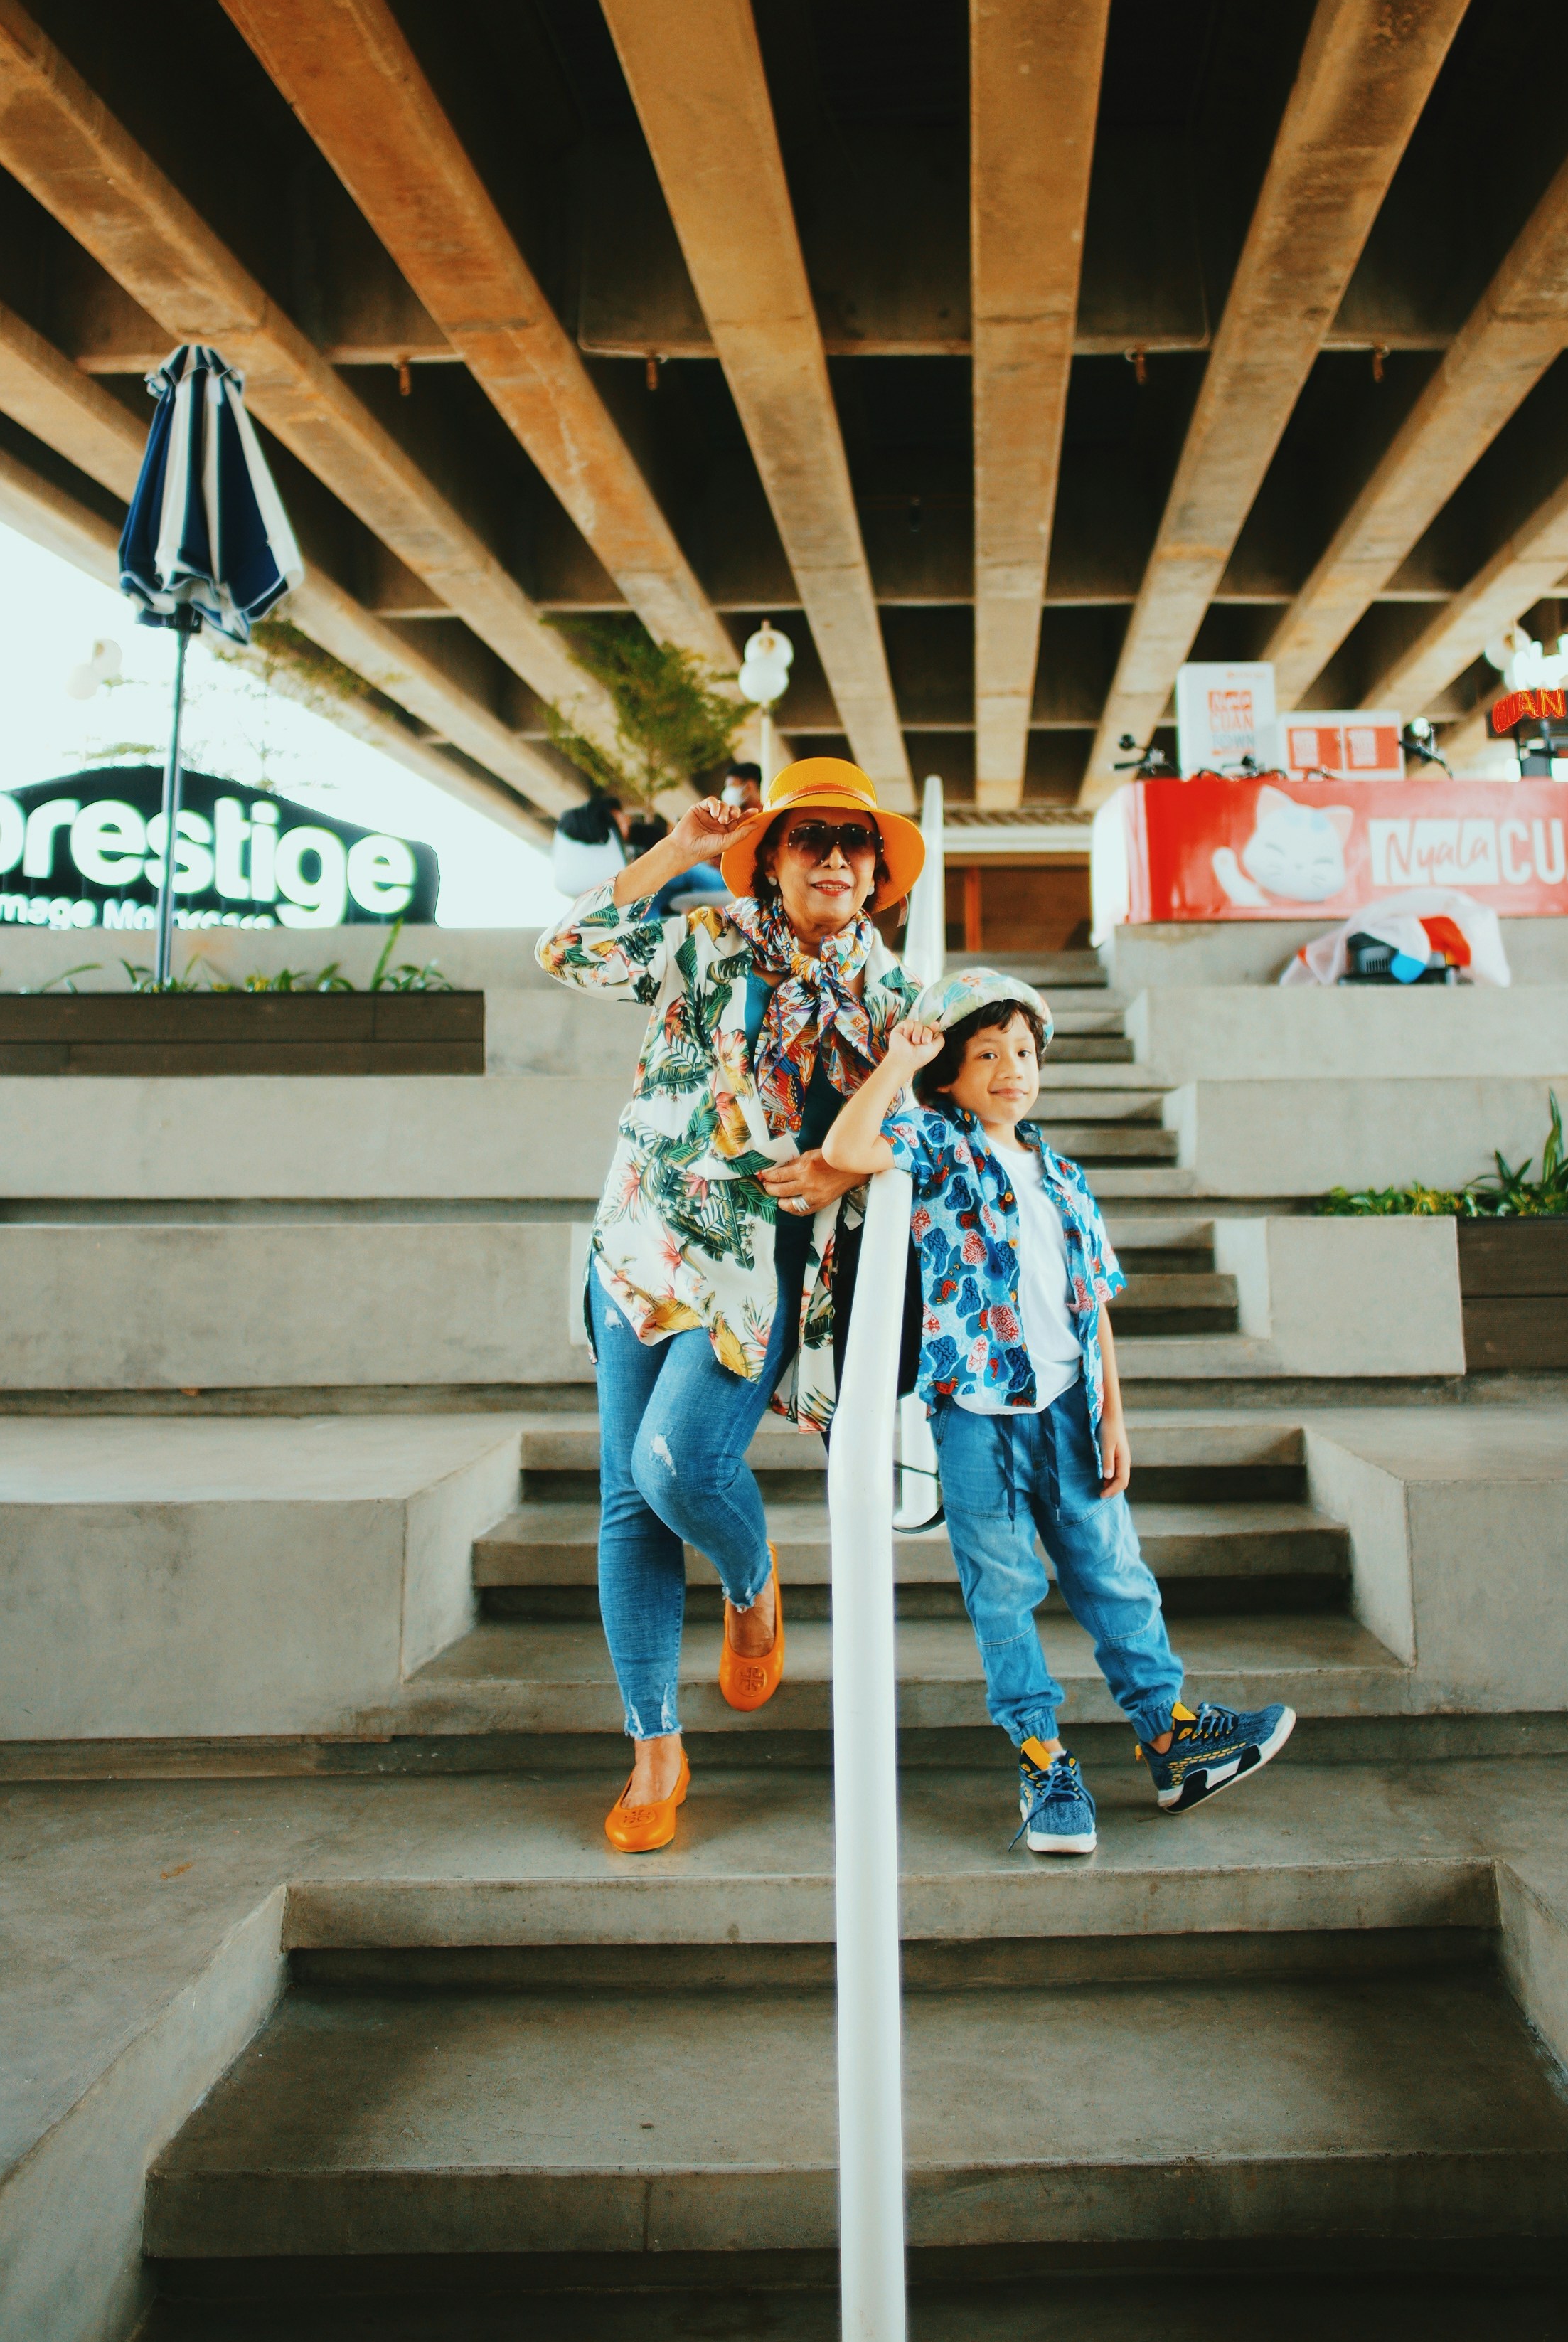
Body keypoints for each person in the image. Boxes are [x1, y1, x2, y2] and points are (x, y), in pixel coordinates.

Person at [537, 756, 925, 1852]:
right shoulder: (709, 941)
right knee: (625, 1497)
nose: (838, 860)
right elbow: (566, 952)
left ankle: (751, 1585)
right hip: (643, 1253)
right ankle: (654, 1746)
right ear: (774, 859)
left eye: (858, 844)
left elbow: (937, 1129)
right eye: (812, 840)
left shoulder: (898, 1000)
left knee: (678, 1466)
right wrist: (677, 853)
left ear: (881, 871)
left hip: (765, 1282)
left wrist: (853, 1165)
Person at [824, 966, 1296, 1854]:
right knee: (1002, 1592)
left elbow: (1096, 1304)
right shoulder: (934, 1145)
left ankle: (1172, 1738)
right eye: (987, 1053)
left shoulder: (1067, 1177)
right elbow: (851, 1148)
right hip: (974, 1414)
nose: (1012, 1066)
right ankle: (1044, 1761)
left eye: (1025, 1051)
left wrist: (1115, 1413)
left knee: (1114, 1571)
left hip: (1071, 1410)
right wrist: (898, 1060)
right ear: (951, 1077)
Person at [644, 762, 764, 915]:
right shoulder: (734, 815)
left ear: (749, 786)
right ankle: (644, 928)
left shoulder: (759, 819)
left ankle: (637, 885)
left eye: (732, 786)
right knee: (662, 893)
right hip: (716, 874)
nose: (727, 792)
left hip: (729, 880)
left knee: (680, 871)